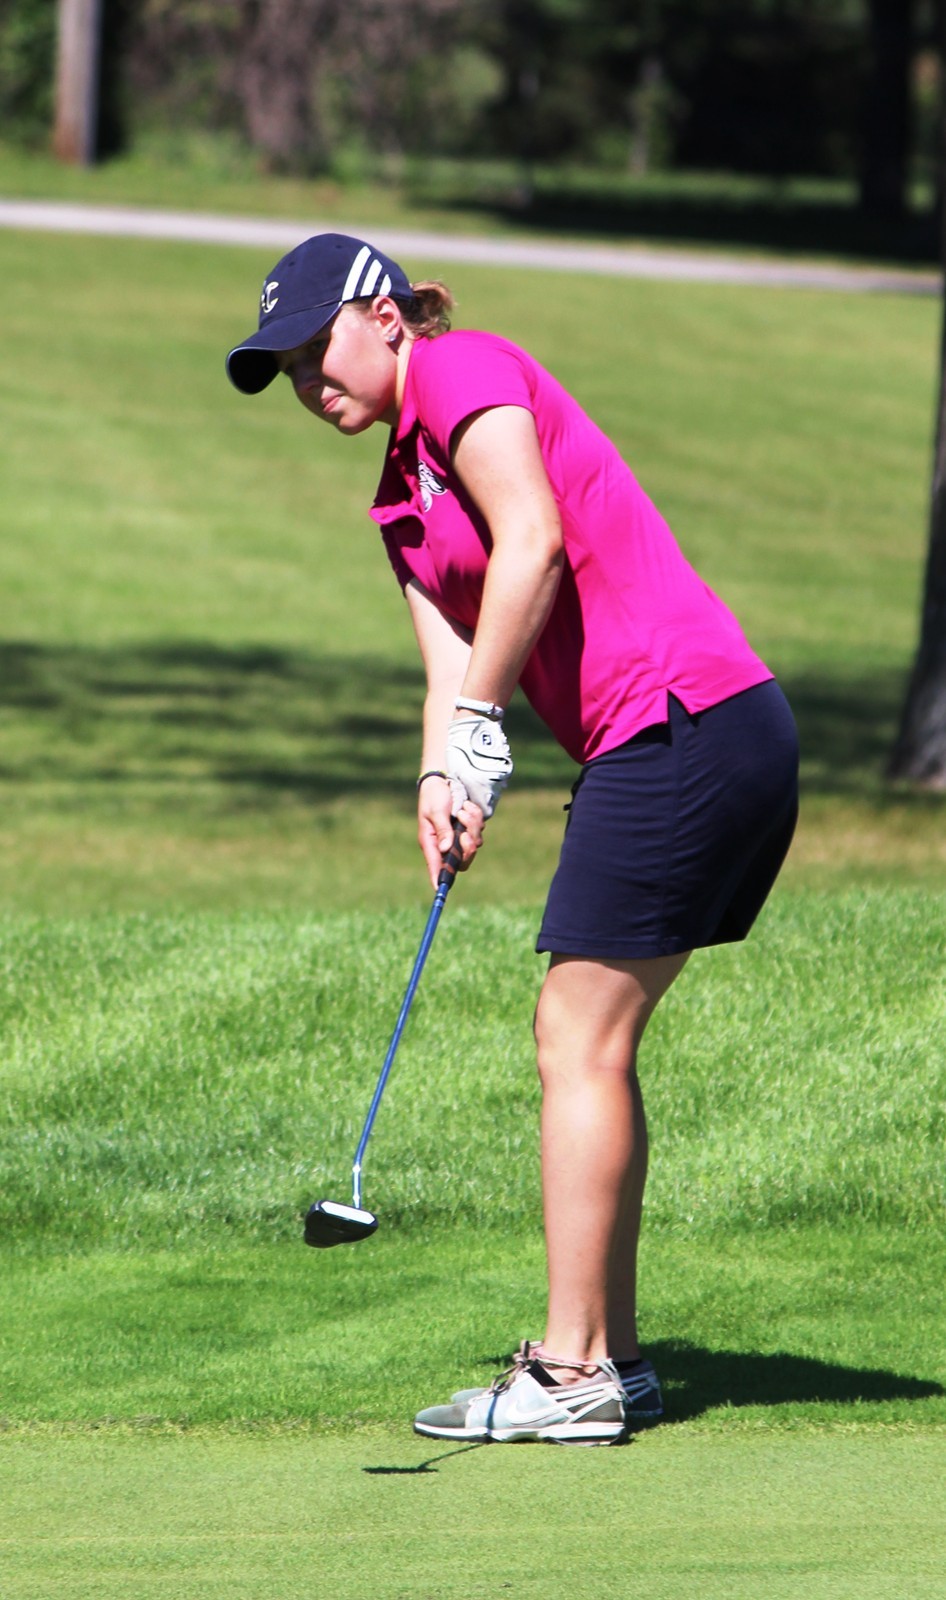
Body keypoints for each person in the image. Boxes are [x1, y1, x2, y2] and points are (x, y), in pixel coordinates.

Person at [226, 232, 799, 1446]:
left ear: (383, 315)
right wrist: (445, 776)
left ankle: (569, 1370)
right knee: (590, 1034)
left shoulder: (463, 370)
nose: (303, 382)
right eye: (282, 370)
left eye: (311, 348)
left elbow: (532, 538)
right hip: (662, 738)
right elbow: (449, 664)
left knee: (571, 1032)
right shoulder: (396, 501)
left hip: (686, 716)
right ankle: (617, 1362)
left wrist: (486, 718)